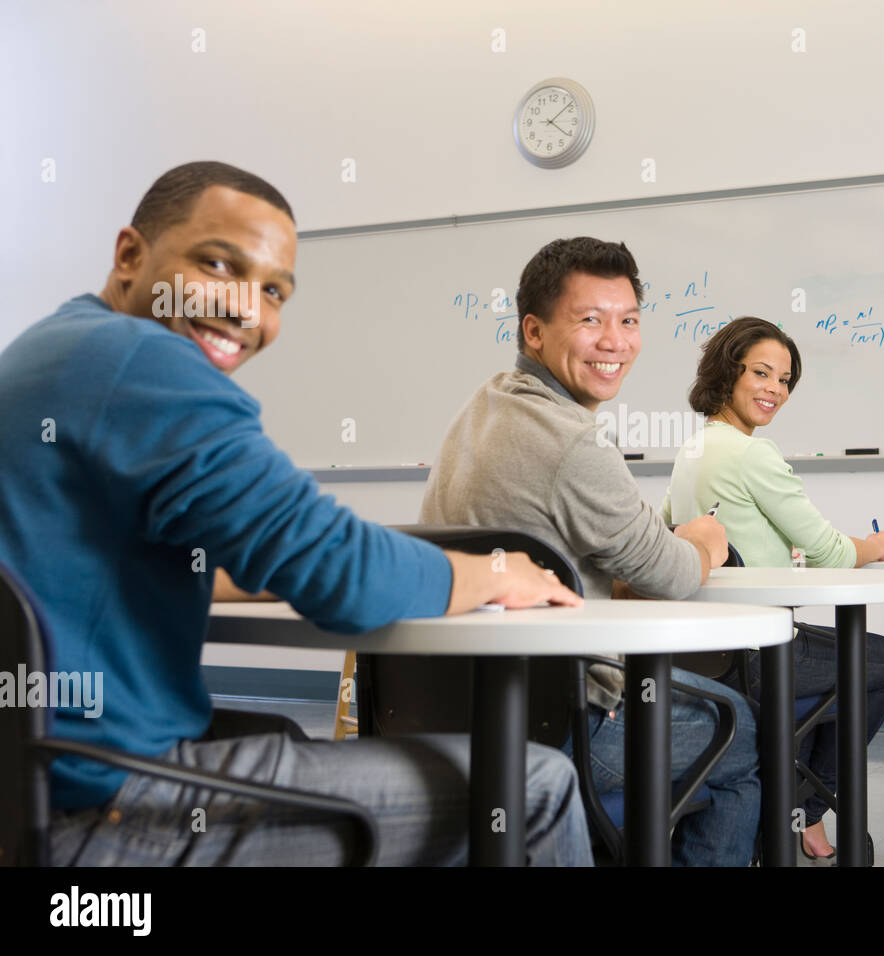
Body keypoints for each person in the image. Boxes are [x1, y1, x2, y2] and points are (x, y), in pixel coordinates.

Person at [0, 161, 592, 866]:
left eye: (274, 291)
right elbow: (340, 572)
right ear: (131, 255)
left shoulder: (50, 350)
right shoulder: (148, 363)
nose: (249, 311)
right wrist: (491, 572)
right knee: (536, 784)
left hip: (31, 777)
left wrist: (272, 567)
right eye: (218, 265)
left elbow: (152, 560)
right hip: (99, 805)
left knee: (283, 731)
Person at [420, 237, 761, 866]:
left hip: (441, 708)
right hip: (558, 723)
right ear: (534, 332)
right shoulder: (574, 441)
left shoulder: (483, 406)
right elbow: (674, 576)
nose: (616, 341)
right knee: (739, 730)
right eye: (589, 320)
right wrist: (706, 542)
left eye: (628, 320)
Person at [664, 316, 884, 865]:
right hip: (757, 651)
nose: (775, 388)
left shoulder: (694, 451)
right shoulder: (753, 453)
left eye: (786, 379)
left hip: (703, 654)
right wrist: (880, 544)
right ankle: (803, 804)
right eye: (762, 373)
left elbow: (670, 532)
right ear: (728, 372)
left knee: (844, 661)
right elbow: (832, 553)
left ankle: (797, 802)